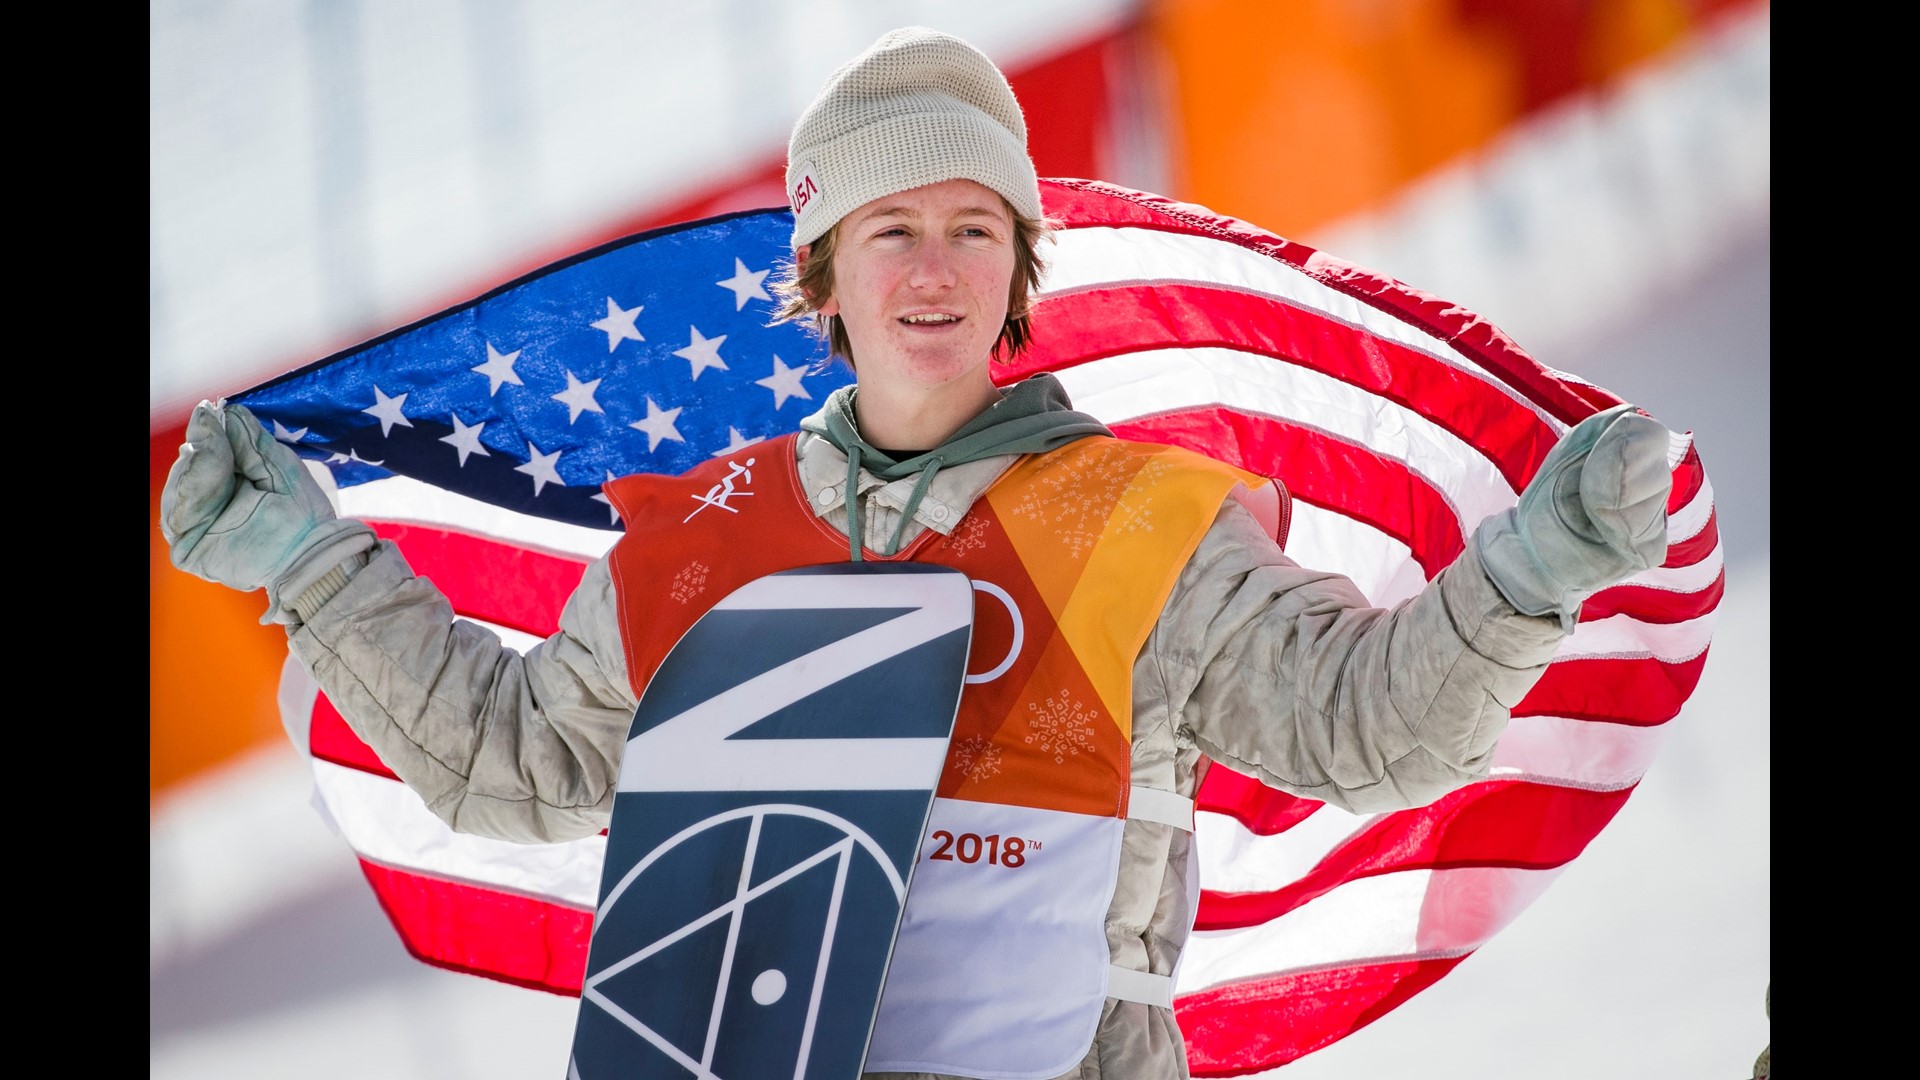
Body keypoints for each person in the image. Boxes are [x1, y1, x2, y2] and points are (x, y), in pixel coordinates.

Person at [158, 25, 1674, 1080]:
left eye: (974, 227)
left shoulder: (1137, 525)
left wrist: (1536, 566)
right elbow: (514, 767)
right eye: (891, 230)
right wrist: (310, 563)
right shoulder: (713, 534)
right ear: (823, 276)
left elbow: (1365, 729)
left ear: (1022, 269)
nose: (935, 268)